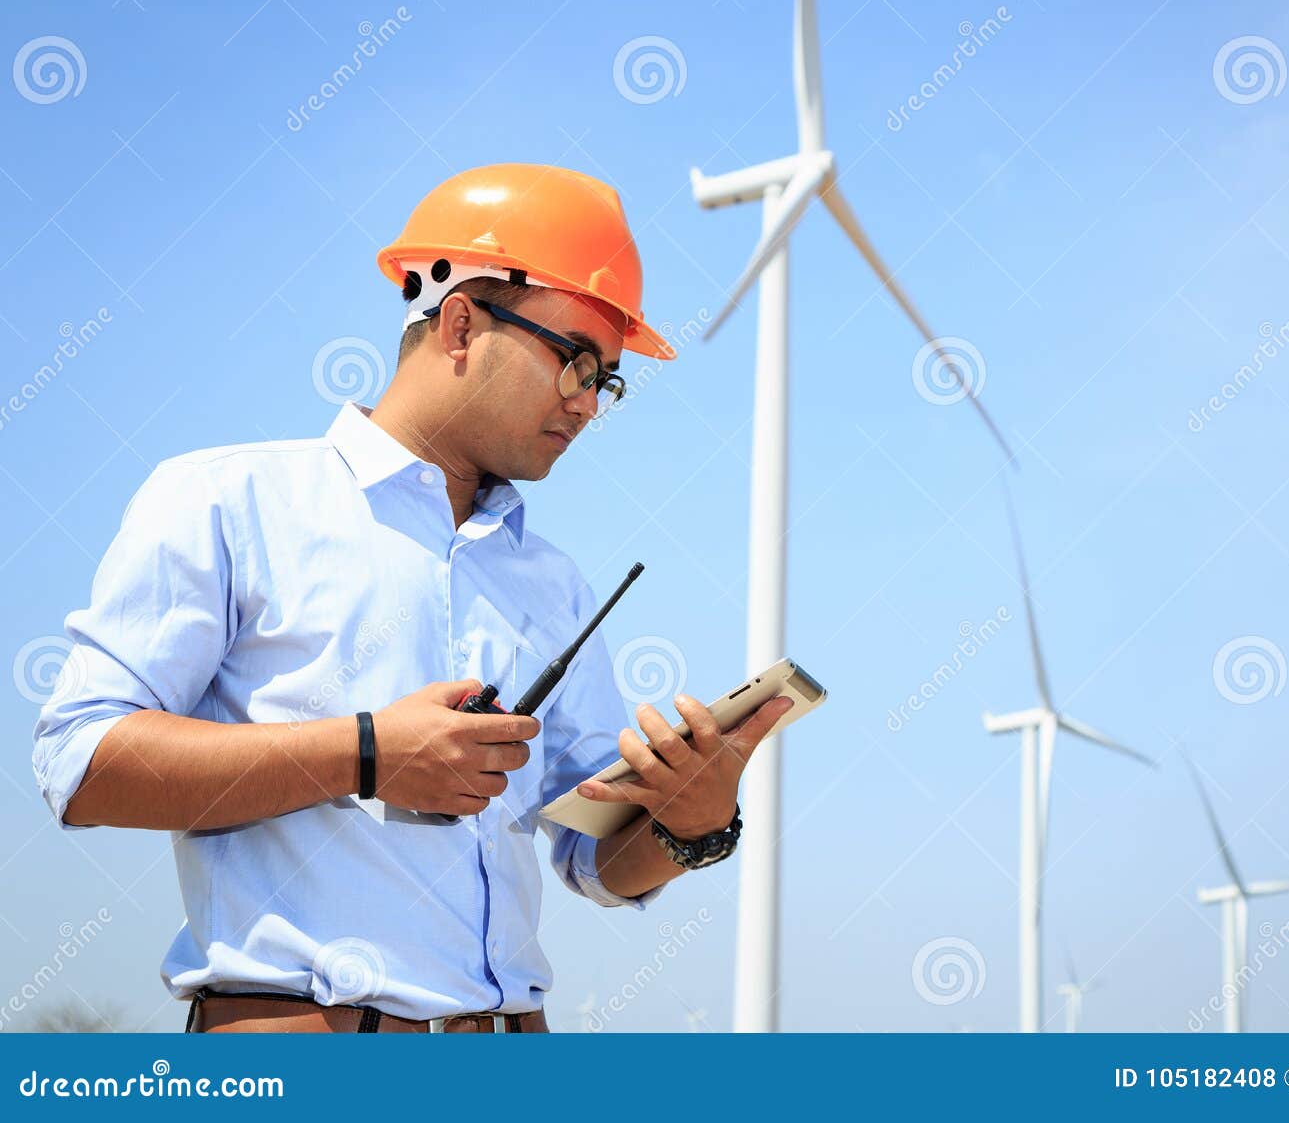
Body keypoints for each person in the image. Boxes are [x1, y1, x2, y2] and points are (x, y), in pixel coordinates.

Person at [30, 163, 791, 1034]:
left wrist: (689, 825)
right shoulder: (230, 501)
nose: (588, 405)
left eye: (606, 381)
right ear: (462, 322)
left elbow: (592, 857)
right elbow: (80, 762)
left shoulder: (553, 582)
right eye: (576, 361)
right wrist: (366, 753)